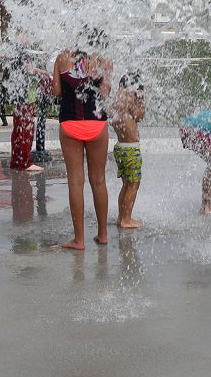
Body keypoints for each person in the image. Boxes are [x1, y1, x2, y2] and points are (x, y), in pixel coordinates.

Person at [53, 44, 112, 250]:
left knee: (75, 183)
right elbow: (105, 94)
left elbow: (57, 91)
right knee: (98, 181)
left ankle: (79, 240)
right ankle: (103, 234)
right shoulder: (103, 61)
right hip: (97, 125)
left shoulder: (62, 58)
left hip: (70, 124)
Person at [110, 73, 145, 229]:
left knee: (126, 184)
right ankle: (126, 219)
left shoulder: (116, 99)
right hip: (131, 149)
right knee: (133, 184)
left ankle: (121, 217)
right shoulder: (129, 98)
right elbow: (139, 115)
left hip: (120, 147)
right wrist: (141, 98)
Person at [5, 52, 47, 173]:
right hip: (25, 97)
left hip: (19, 97)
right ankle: (25, 162)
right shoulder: (21, 52)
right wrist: (43, 73)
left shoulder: (15, 51)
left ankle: (16, 161)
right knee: (26, 130)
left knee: (18, 129)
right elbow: (28, 69)